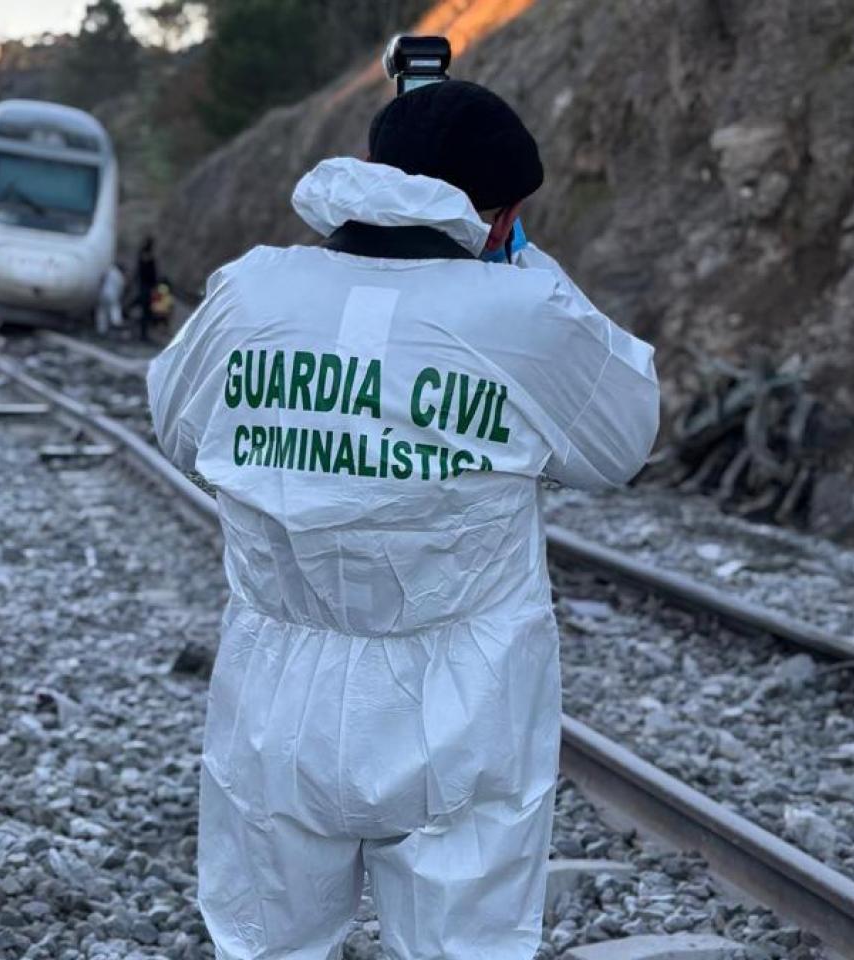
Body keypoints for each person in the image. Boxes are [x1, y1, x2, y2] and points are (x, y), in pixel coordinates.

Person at [146, 80, 659, 959]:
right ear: (504, 217)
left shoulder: (250, 292)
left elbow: (176, 422)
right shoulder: (526, 314)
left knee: (265, 942)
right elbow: (621, 444)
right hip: (463, 701)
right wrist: (526, 268)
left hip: (277, 690)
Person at [135, 236, 159, 341]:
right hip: (147, 287)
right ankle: (143, 335)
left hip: (144, 286)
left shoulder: (142, 256)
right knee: (146, 312)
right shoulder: (148, 258)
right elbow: (152, 274)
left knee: (145, 311)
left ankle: (143, 334)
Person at [97, 263, 126, 335]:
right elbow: (121, 289)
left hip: (103, 293)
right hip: (112, 295)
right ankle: (116, 324)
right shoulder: (120, 277)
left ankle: (102, 330)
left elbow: (102, 279)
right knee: (115, 309)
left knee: (102, 311)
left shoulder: (110, 270)